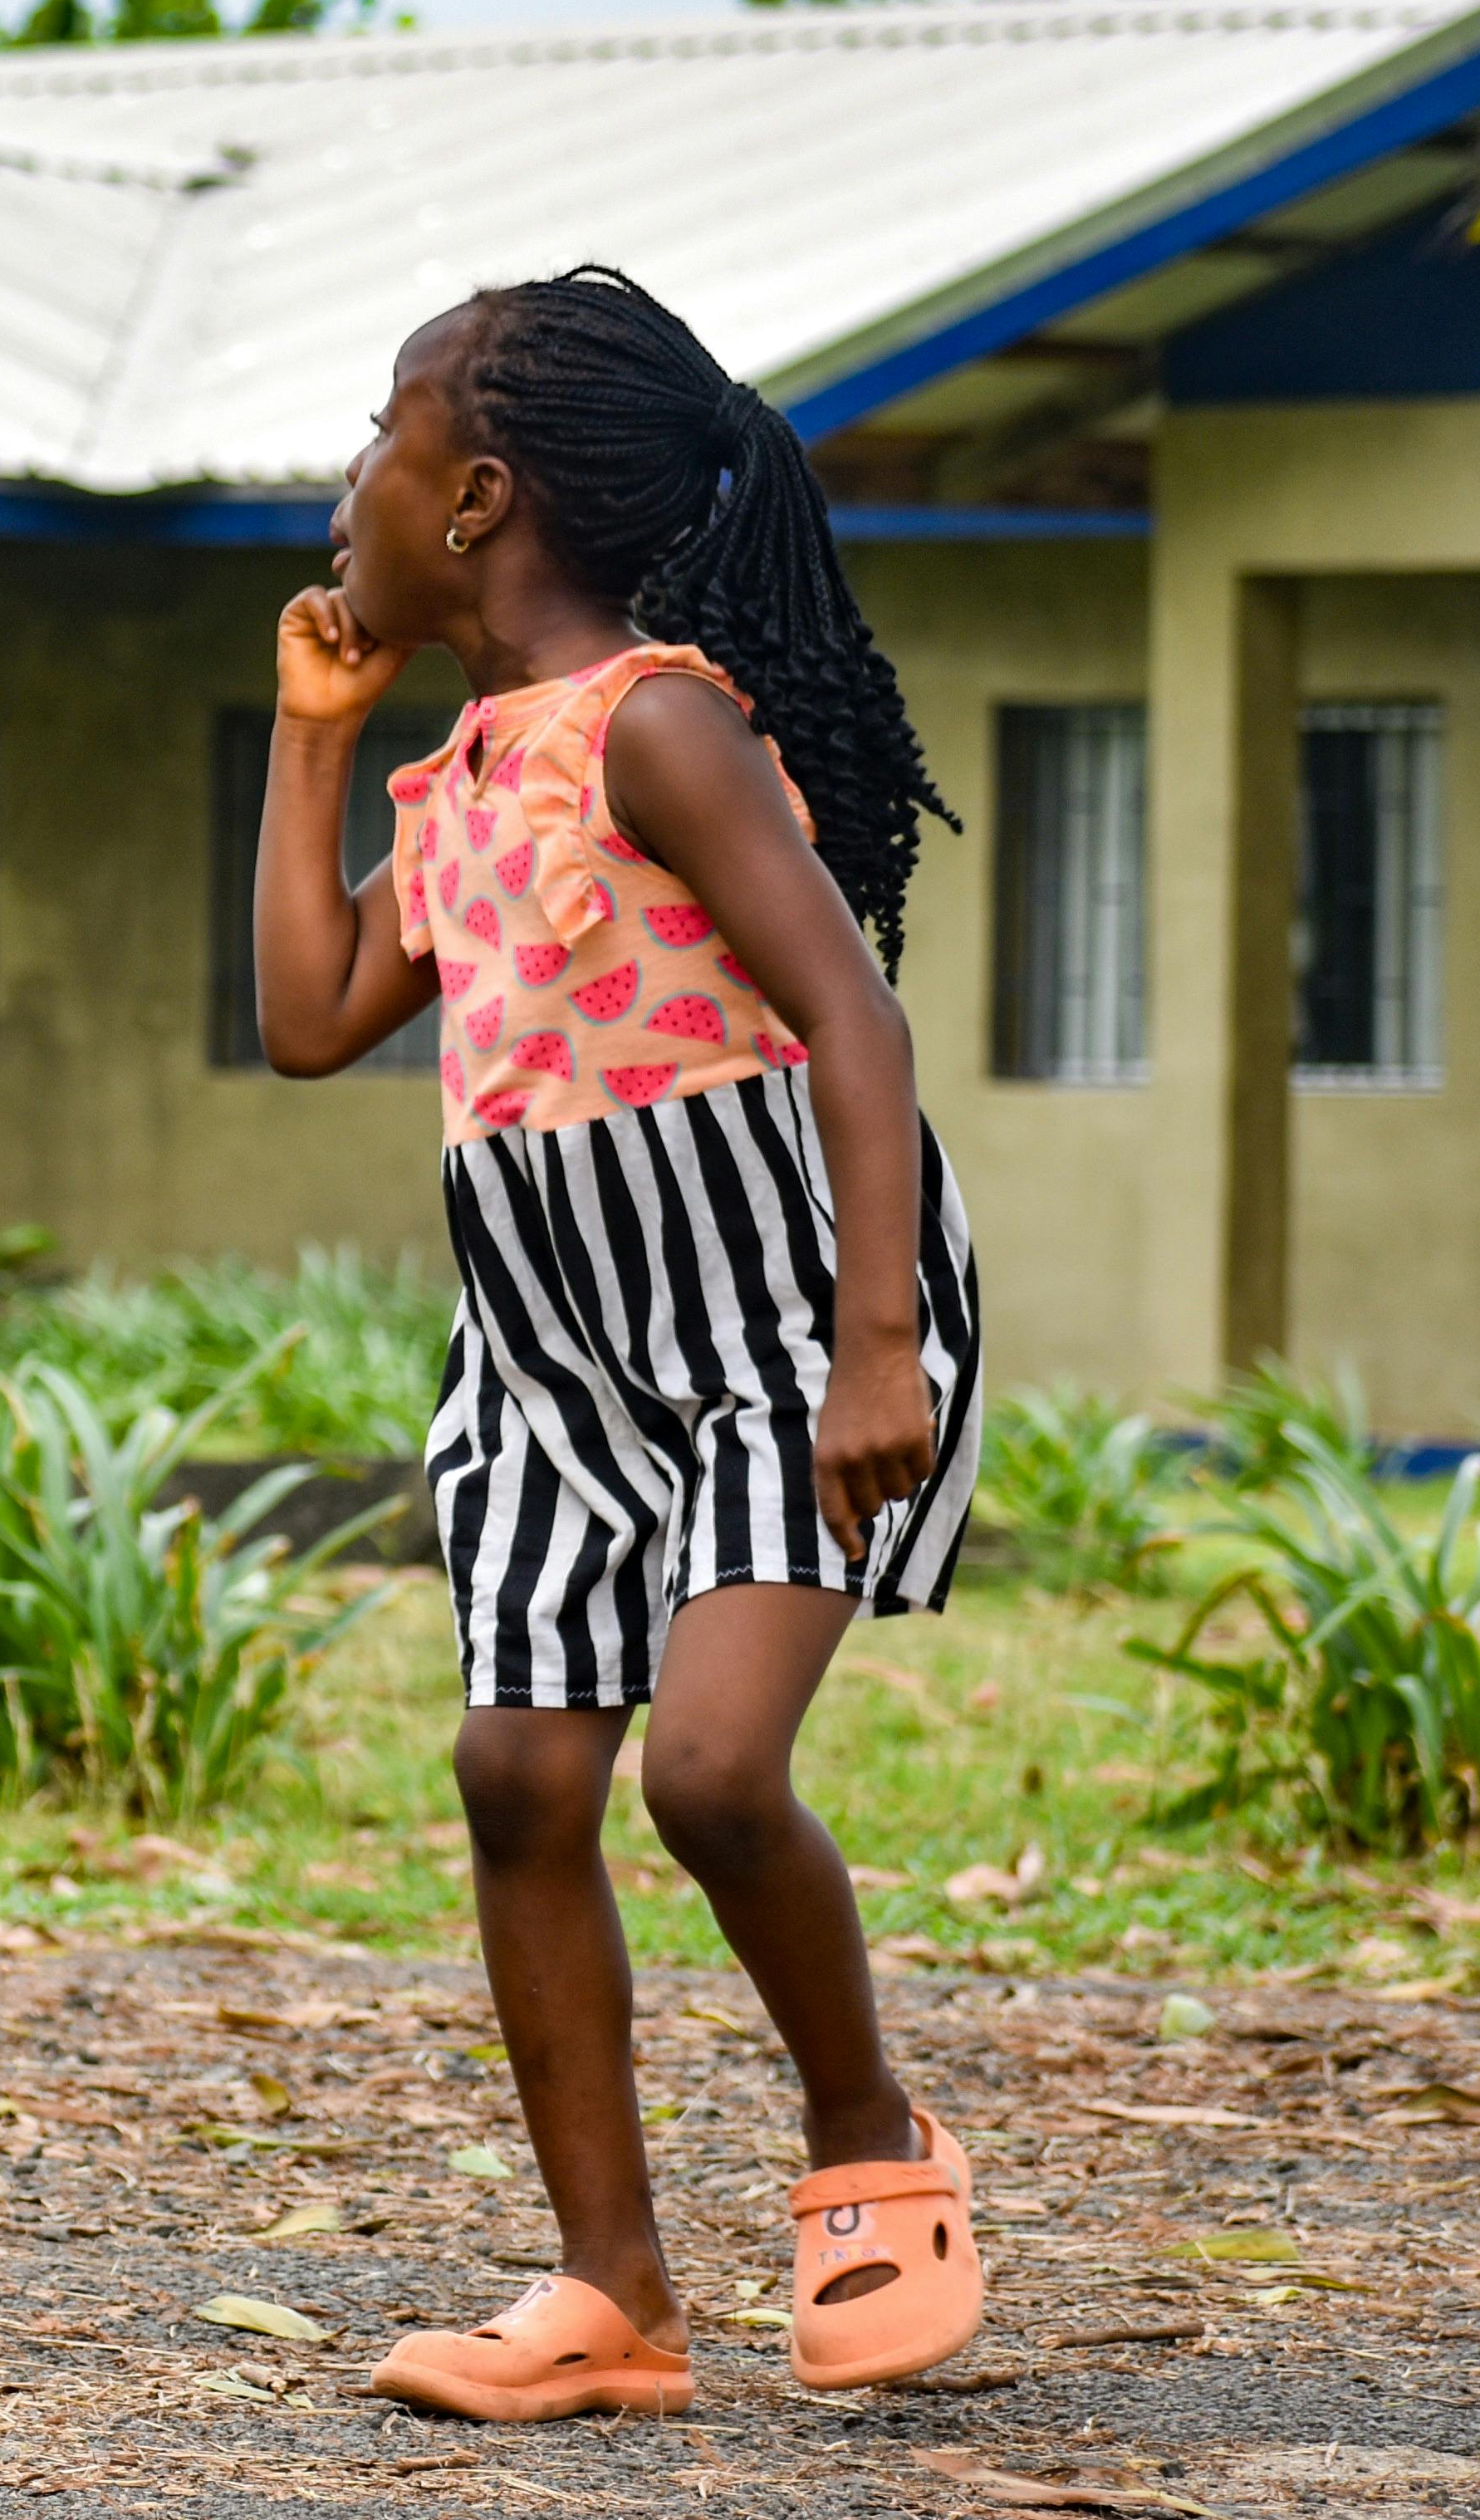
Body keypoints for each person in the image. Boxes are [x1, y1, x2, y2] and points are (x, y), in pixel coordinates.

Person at [252, 266, 989, 2419]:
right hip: (552, 1351)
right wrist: (316, 738)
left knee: (711, 1770)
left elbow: (853, 1017)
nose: (347, 482)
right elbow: (307, 1017)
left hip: (777, 1322)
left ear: (475, 496)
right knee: (516, 1773)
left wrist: (875, 1341)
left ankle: (870, 2138)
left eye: (381, 434)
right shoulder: (460, 779)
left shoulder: (658, 723)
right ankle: (612, 2289)